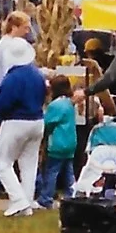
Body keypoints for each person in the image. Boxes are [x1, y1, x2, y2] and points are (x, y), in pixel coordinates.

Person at [0, 46, 48, 215]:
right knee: (29, 165)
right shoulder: (37, 75)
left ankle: (18, 199)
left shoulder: (12, 78)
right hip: (37, 121)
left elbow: (2, 104)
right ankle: (27, 202)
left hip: (16, 121)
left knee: (2, 162)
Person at [37, 75, 79, 208]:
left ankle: (46, 198)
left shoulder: (55, 105)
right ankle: (72, 195)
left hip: (57, 144)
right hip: (71, 143)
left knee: (52, 171)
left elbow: (47, 123)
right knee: (68, 172)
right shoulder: (69, 103)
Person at [0, 10, 38, 98]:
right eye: (25, 28)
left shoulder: (6, 42)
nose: (27, 32)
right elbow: (13, 72)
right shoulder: (9, 46)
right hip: (7, 96)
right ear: (14, 27)